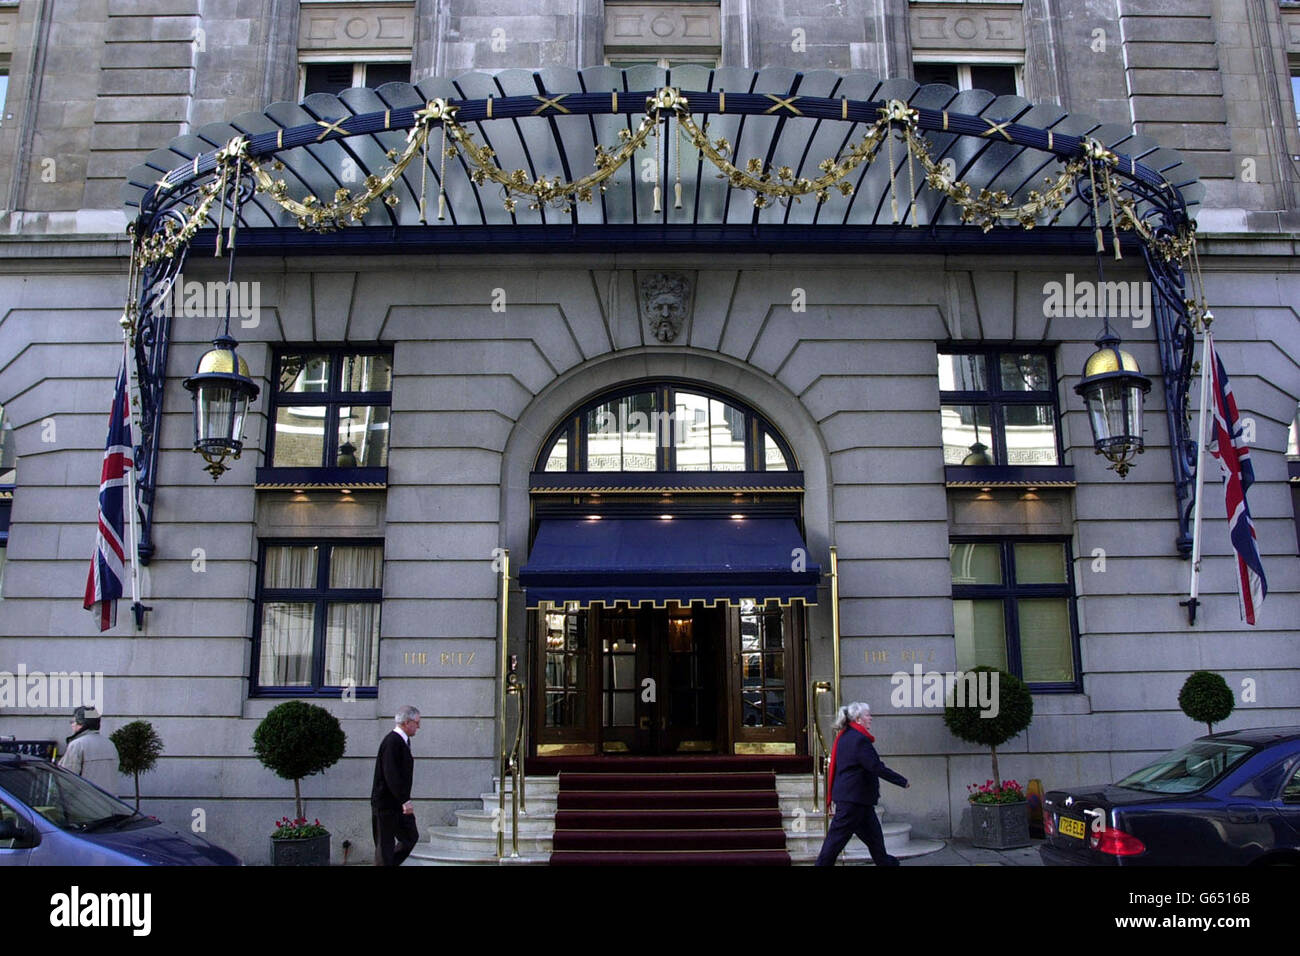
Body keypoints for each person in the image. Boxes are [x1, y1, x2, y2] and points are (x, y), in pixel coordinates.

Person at [816, 701, 909, 867]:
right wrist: (902, 781)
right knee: (834, 844)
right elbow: (875, 766)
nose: (871, 718)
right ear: (858, 719)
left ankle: (887, 863)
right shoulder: (859, 740)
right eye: (868, 715)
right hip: (853, 801)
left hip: (860, 801)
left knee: (875, 842)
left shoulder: (845, 736)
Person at [371, 705, 421, 866]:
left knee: (410, 836)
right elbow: (391, 774)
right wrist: (404, 800)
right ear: (407, 722)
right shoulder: (392, 742)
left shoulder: (401, 741)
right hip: (386, 804)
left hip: (396, 804)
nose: (418, 726)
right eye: (417, 722)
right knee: (384, 846)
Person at [58, 706, 121, 795]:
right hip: (108, 803)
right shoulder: (110, 744)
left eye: (73, 721)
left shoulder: (77, 745)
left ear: (81, 724)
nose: (72, 725)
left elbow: (67, 779)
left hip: (84, 803)